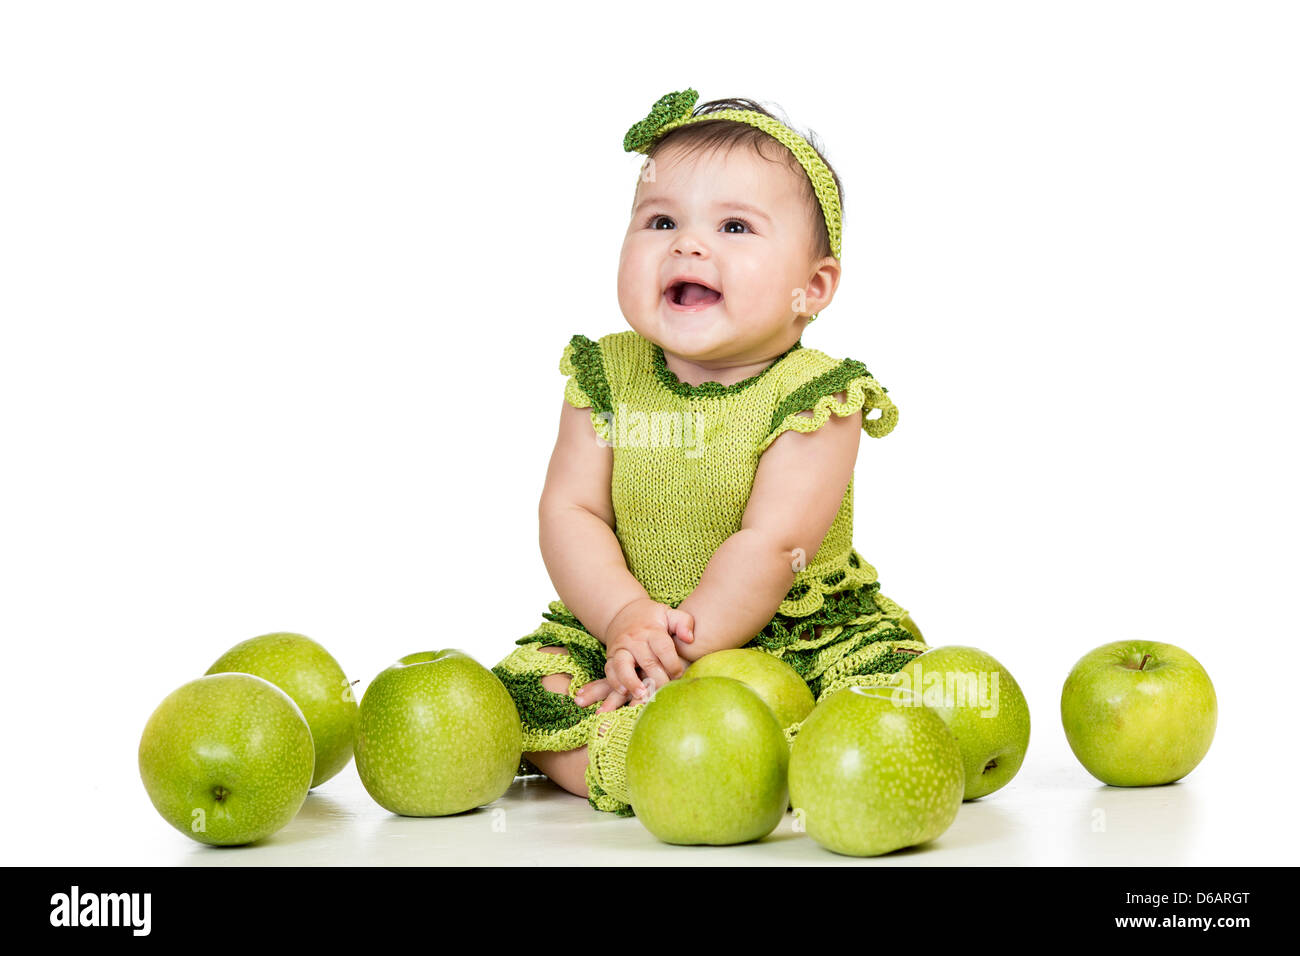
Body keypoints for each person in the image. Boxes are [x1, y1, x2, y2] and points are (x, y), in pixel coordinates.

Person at [491, 87, 926, 816]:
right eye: (660, 221)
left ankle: (769, 755)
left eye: (734, 227)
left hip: (793, 635)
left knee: (899, 694)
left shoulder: (818, 396)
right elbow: (570, 511)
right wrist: (625, 617)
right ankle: (660, 760)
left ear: (811, 288)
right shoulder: (607, 373)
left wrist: (678, 655)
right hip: (621, 629)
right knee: (525, 691)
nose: (687, 245)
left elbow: (771, 542)